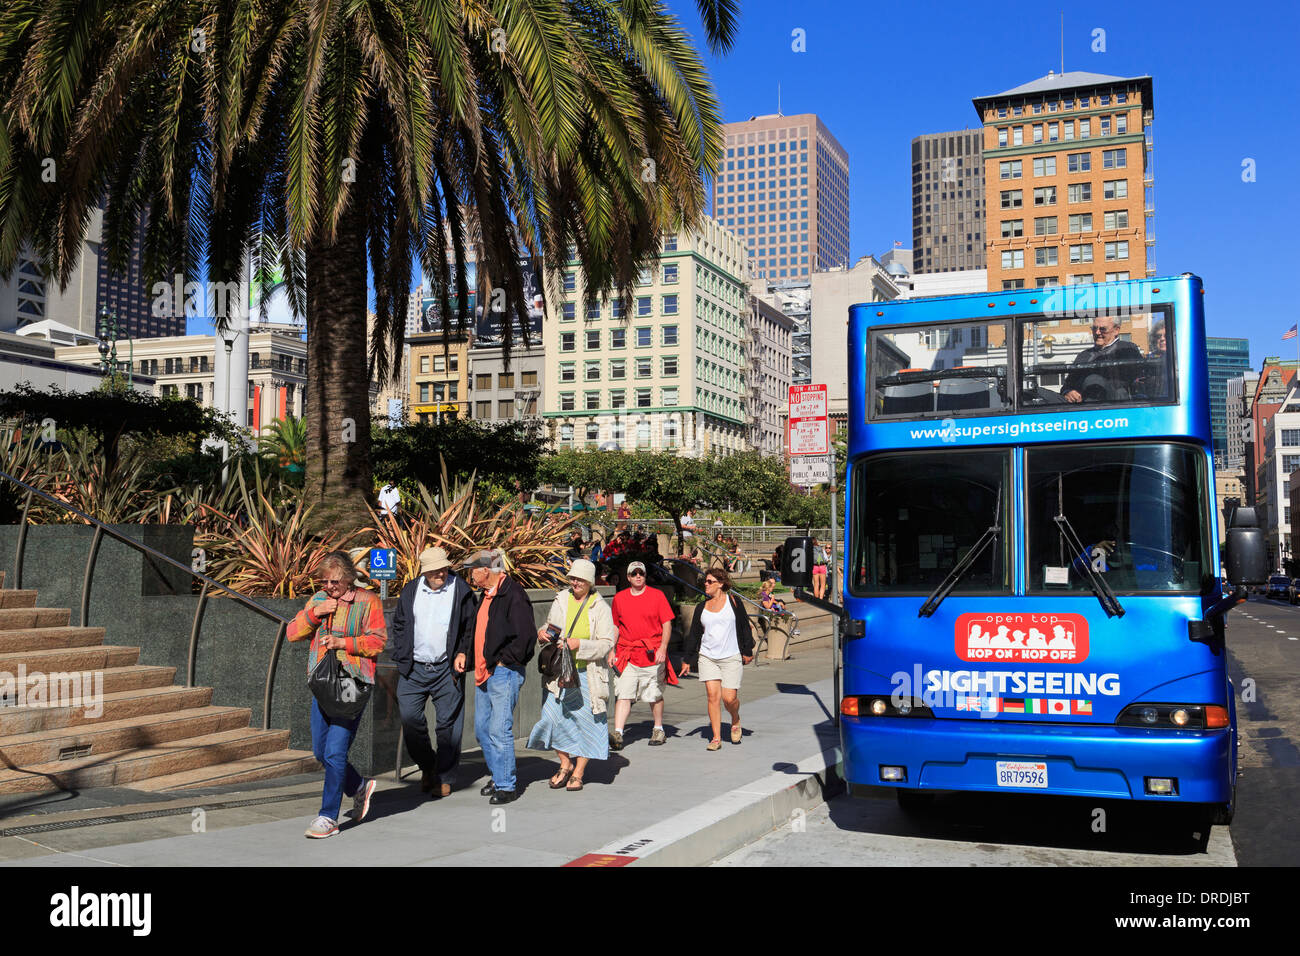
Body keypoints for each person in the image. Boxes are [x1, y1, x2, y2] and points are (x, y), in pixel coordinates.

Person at [288, 551, 388, 839]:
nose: (329, 586)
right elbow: (292, 633)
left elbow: (378, 641)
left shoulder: (368, 601)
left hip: (351, 684)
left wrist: (343, 642)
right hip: (322, 684)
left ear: (348, 578)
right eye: (324, 581)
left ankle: (327, 817)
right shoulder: (318, 600)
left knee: (334, 753)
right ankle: (358, 786)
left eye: (334, 581)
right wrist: (313, 614)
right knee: (321, 751)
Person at [389, 546, 477, 798]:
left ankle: (444, 777)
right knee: (410, 719)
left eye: (443, 568)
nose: (441, 573)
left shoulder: (460, 590)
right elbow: (399, 622)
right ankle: (428, 765)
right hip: (413, 668)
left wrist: (463, 653)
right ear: (425, 571)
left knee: (448, 727)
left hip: (446, 670)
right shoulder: (411, 590)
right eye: (435, 570)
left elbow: (470, 627)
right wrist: (401, 652)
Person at [528, 559, 617, 792]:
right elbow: (550, 626)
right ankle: (565, 763)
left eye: (580, 579)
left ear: (589, 582)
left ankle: (578, 771)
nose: (575, 582)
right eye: (572, 578)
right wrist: (542, 634)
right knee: (550, 718)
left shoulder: (600, 607)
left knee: (588, 722)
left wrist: (580, 645)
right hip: (558, 671)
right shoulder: (561, 598)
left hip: (587, 672)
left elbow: (607, 643)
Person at [459, 549, 536, 804]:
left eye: (473, 569)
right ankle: (498, 774)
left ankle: (506, 785)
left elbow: (525, 636)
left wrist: (504, 661)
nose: (470, 574)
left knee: (498, 729)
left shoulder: (513, 594)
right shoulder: (485, 596)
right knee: (482, 730)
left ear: (485, 570)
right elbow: (475, 630)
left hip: (503, 671)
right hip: (485, 671)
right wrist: (465, 654)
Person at [682, 567, 754, 750]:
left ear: (721, 584)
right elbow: (695, 635)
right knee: (713, 697)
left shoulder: (734, 602)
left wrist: (747, 650)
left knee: (729, 698)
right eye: (705, 582)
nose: (705, 585)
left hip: (731, 656)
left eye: (710, 582)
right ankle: (716, 737)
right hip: (708, 657)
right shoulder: (702, 607)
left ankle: (735, 719)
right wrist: (687, 659)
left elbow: (745, 627)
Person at [607, 560, 676, 749]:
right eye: (634, 573)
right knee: (623, 693)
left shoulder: (657, 596)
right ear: (628, 577)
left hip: (652, 652)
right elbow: (615, 626)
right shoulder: (619, 598)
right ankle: (619, 733)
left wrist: (663, 647)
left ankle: (658, 728)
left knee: (654, 694)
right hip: (627, 653)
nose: (638, 576)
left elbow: (667, 624)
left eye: (641, 573)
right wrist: (611, 650)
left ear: (645, 576)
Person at [1062, 315, 1144, 403]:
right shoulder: (1083, 355)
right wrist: (1068, 392)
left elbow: (1140, 379)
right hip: (1084, 407)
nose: (1097, 332)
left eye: (1103, 329)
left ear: (1116, 330)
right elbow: (1067, 386)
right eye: (1094, 328)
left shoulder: (1127, 350)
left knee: (1093, 380)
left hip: (1117, 405)